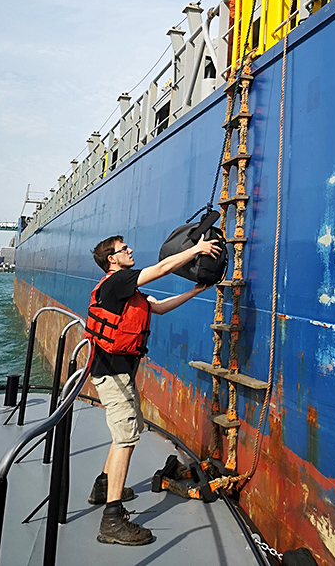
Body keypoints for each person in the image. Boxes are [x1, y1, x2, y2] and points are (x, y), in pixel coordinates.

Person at [85, 232, 220, 545]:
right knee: (126, 437)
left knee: (124, 432)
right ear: (112, 259)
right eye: (124, 249)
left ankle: (104, 486)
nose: (130, 250)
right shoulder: (118, 281)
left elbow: (158, 309)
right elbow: (161, 269)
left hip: (115, 375)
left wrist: (196, 290)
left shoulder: (123, 291)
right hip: (114, 376)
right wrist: (197, 249)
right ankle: (112, 519)